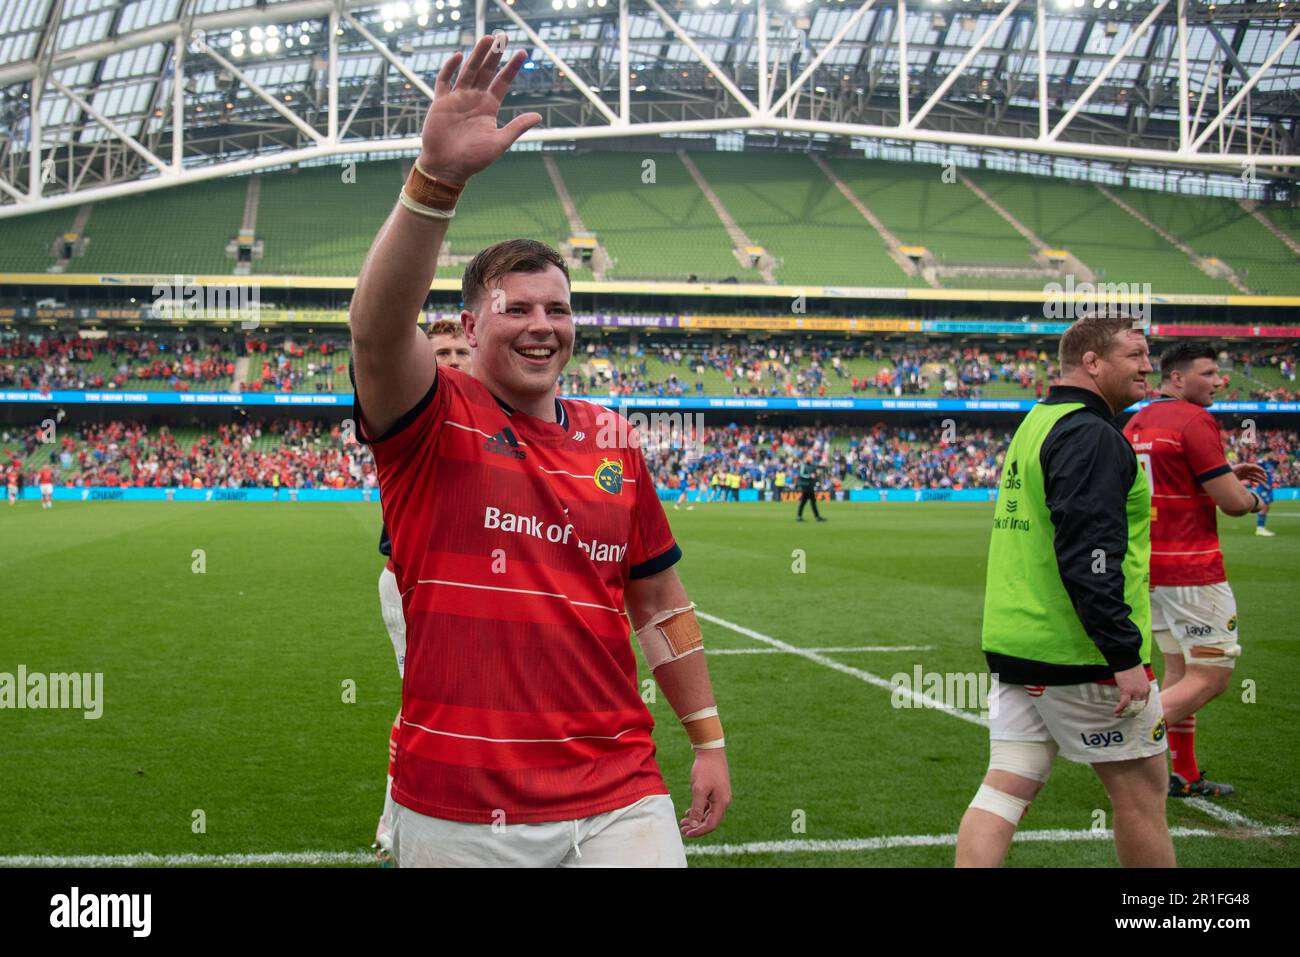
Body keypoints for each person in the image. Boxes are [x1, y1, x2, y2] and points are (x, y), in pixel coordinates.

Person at [349, 34, 729, 868]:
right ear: (471, 323)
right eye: (516, 308)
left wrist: (706, 737)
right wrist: (437, 180)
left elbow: (660, 601)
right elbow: (375, 332)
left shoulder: (614, 440)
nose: (542, 325)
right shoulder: (429, 417)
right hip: (459, 803)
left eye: (557, 308)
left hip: (618, 789)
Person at [956, 314, 1175, 869]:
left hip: (1019, 647)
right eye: (1136, 354)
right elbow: (1090, 557)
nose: (1150, 366)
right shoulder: (1091, 435)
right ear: (1092, 363)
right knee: (1143, 798)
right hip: (1082, 654)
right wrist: (1123, 654)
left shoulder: (1039, 421)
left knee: (1005, 789)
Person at [1123, 343, 1268, 799]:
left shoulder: (1136, 421)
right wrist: (1254, 500)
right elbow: (1233, 503)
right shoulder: (1195, 419)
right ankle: (1118, 743)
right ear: (1178, 379)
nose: (1218, 380)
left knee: (1180, 671)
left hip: (1151, 568)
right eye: (1208, 373)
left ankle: (1182, 773)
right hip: (1193, 569)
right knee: (1212, 676)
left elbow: (1178, 481)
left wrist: (1223, 472)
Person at [373, 319, 473, 861]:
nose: (455, 359)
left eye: (461, 349)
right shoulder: (415, 414)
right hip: (416, 583)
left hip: (468, 581)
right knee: (425, 702)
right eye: (442, 352)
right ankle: (397, 819)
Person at [795, 452, 825, 522]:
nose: (811, 458)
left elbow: (815, 474)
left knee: (811, 502)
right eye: (809, 457)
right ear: (806, 458)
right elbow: (802, 474)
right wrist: (810, 476)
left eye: (811, 457)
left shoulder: (812, 465)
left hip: (811, 486)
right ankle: (801, 516)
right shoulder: (803, 465)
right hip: (805, 486)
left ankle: (815, 517)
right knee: (804, 502)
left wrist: (817, 473)